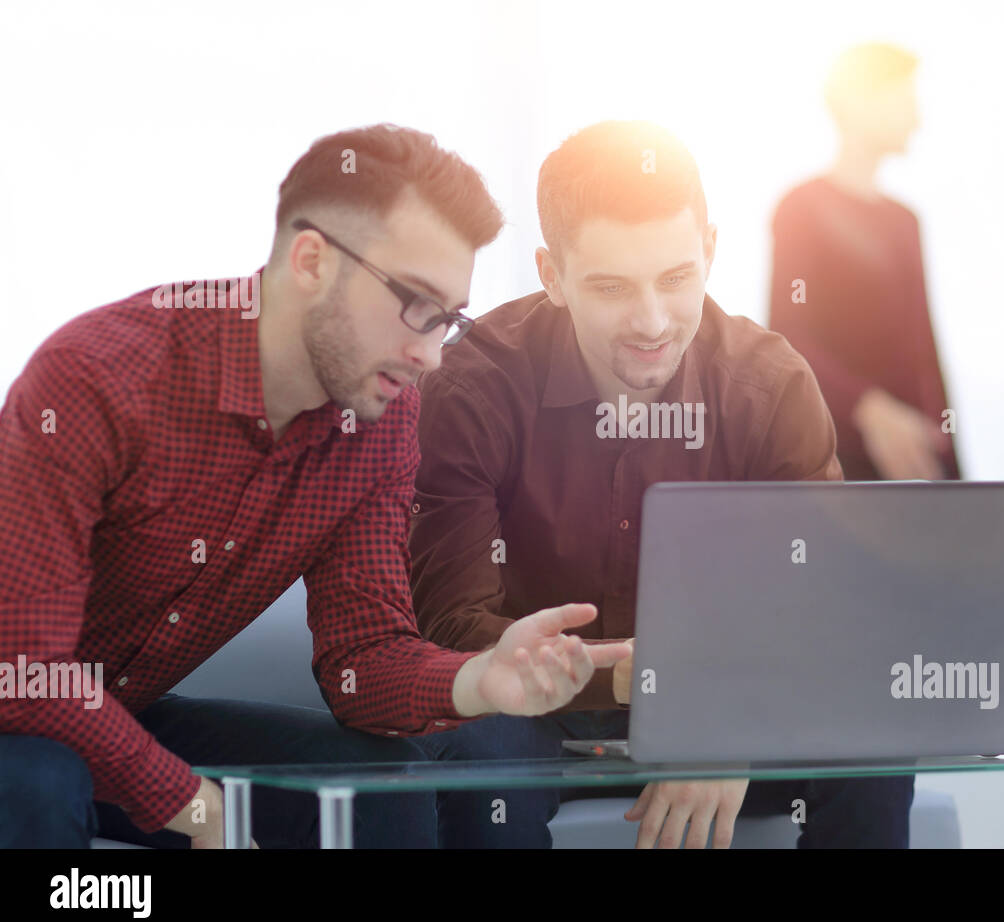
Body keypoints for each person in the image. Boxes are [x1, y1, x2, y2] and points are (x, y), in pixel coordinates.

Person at [0, 124, 629, 849]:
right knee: (39, 783)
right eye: (415, 305)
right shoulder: (98, 379)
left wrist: (482, 679)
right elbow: (28, 668)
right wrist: (197, 807)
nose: (428, 355)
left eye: (447, 320)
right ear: (310, 261)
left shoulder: (381, 418)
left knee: (377, 786)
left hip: (122, 714)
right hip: (21, 713)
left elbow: (365, 659)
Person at [410, 120, 915, 849]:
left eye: (676, 279)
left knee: (872, 729)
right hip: (532, 717)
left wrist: (724, 713)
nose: (651, 322)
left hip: (734, 700)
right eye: (612, 287)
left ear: (709, 248)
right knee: (476, 749)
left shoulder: (768, 387)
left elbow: (821, 614)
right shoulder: (472, 390)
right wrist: (644, 682)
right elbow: (452, 631)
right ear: (551, 274)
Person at [769, 42, 959, 483]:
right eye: (905, 101)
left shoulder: (905, 220)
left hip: (916, 464)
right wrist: (870, 410)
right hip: (836, 460)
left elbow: (926, 357)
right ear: (859, 103)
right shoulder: (801, 209)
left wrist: (953, 476)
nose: (917, 118)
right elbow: (787, 339)